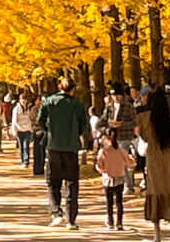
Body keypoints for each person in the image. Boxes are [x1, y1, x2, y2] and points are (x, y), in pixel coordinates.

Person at [38, 75, 95, 229]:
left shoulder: (49, 102)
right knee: (71, 183)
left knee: (52, 182)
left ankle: (56, 211)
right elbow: (84, 125)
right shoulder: (77, 105)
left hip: (53, 146)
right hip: (71, 148)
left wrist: (49, 132)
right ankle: (71, 219)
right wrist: (74, 134)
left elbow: (40, 120)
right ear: (73, 88)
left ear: (59, 87)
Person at [136, 86, 170, 242]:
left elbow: (144, 138)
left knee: (155, 190)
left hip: (153, 158)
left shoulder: (144, 118)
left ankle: (156, 233)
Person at [103, 84, 139, 194]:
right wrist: (108, 129)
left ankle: (128, 185)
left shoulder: (129, 107)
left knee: (125, 161)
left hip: (126, 137)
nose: (115, 97)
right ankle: (117, 184)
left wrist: (121, 124)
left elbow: (135, 122)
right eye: (113, 95)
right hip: (113, 138)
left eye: (117, 95)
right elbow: (101, 122)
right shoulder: (109, 108)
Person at [96, 126, 132, 231]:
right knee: (119, 202)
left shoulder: (103, 151)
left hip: (108, 178)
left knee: (109, 202)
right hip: (120, 177)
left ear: (106, 138)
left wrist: (102, 170)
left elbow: (99, 165)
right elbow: (130, 161)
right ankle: (120, 223)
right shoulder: (121, 150)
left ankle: (110, 221)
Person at [14, 92, 38, 168]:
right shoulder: (16, 109)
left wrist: (31, 128)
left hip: (27, 129)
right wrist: (15, 129)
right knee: (21, 146)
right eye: (22, 99)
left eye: (25, 99)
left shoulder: (29, 109)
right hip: (19, 130)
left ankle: (26, 161)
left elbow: (31, 118)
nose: (23, 101)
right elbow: (14, 120)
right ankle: (22, 160)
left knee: (26, 145)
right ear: (19, 100)